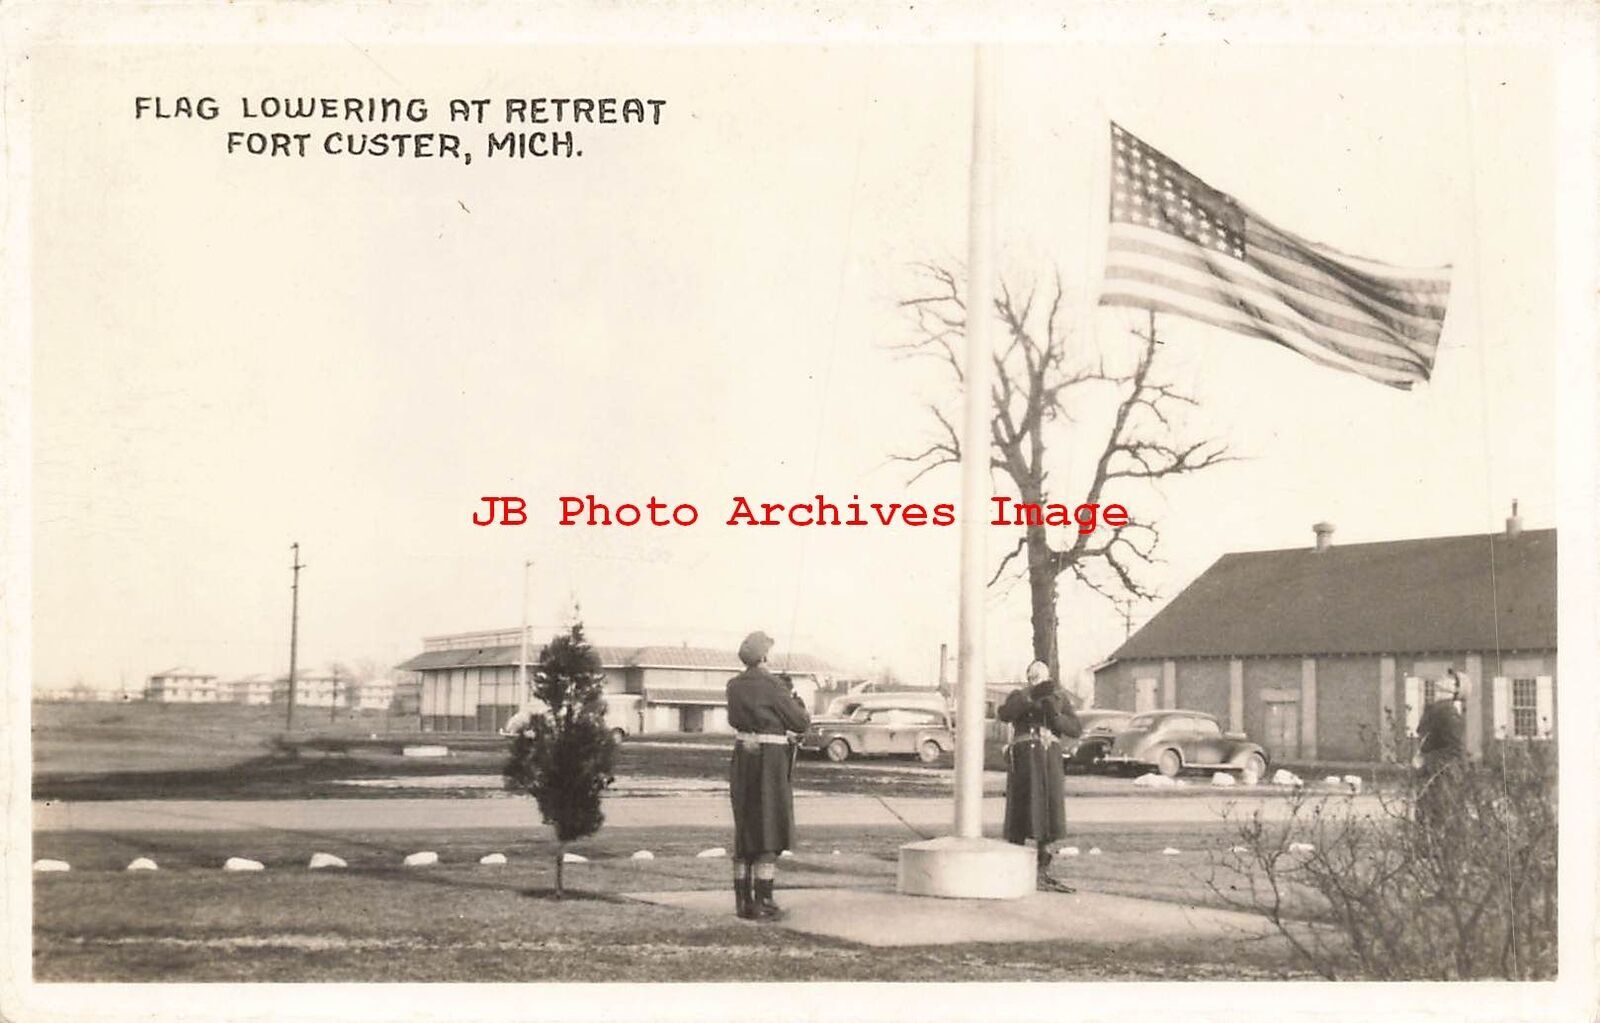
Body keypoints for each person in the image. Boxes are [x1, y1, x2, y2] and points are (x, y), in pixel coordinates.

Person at [726, 631, 810, 920]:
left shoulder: (733, 685)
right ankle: (763, 901)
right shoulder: (774, 685)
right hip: (770, 764)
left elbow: (735, 720)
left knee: (746, 828)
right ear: (763, 656)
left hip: (742, 760)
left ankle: (743, 901)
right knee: (769, 827)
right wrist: (794, 700)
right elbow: (800, 723)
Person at [996, 660, 1082, 892]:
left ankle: (1042, 869)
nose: (1036, 678)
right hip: (1025, 760)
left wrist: (1055, 716)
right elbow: (1005, 714)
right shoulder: (1019, 695)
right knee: (1021, 811)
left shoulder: (1059, 697)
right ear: (1027, 677)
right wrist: (1030, 698)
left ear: (1047, 676)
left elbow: (1075, 728)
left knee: (1048, 811)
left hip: (1048, 760)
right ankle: (1016, 868)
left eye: (1040, 675)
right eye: (1032, 675)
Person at [1414, 668, 1467, 829]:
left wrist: (1425, 760)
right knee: (1424, 819)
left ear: (1455, 689)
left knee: (1439, 820)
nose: (1441, 679)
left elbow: (1455, 750)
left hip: (1442, 776)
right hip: (1429, 774)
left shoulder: (1449, 714)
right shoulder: (1434, 710)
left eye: (1449, 678)